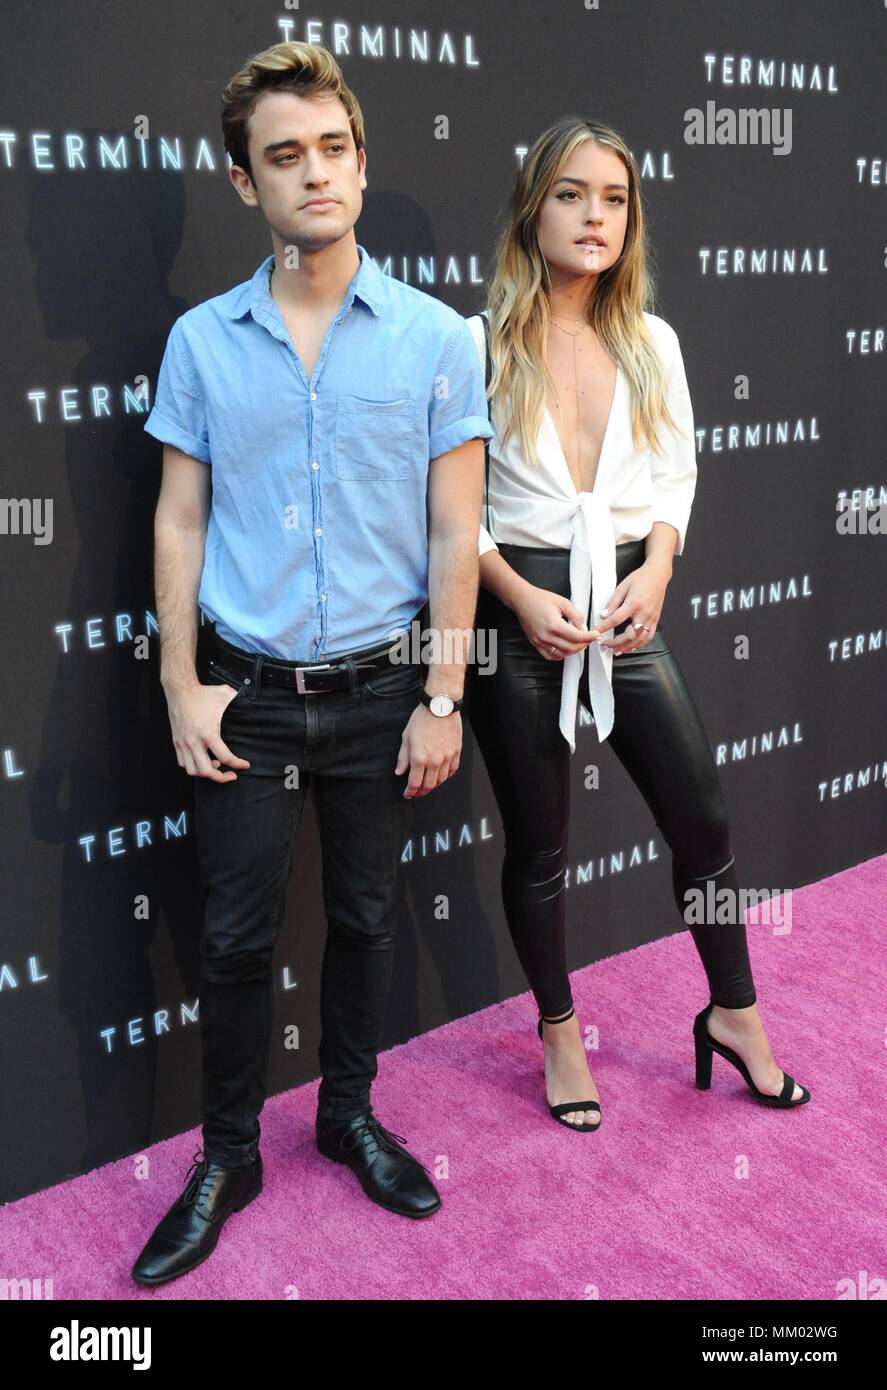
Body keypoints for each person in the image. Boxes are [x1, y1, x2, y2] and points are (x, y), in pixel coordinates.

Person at [131, 41, 492, 1286]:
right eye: (284, 156)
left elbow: (458, 528)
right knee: (231, 941)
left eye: (333, 148)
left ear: (359, 156)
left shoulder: (440, 338)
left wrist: (445, 692)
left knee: (365, 918)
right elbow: (178, 518)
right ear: (245, 184)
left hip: (388, 689)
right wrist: (181, 682)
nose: (315, 174)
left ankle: (346, 1115)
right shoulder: (201, 342)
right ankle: (228, 1153)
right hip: (246, 693)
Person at [463, 117, 810, 1133]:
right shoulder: (473, 339)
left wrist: (657, 564)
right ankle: (559, 1030)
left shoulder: (649, 340)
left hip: (622, 602)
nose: (593, 216)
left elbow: (672, 472)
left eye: (612, 199)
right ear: (533, 205)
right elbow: (444, 505)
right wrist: (516, 599)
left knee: (700, 819)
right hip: (516, 602)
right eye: (571, 194)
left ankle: (734, 1012)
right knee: (540, 843)